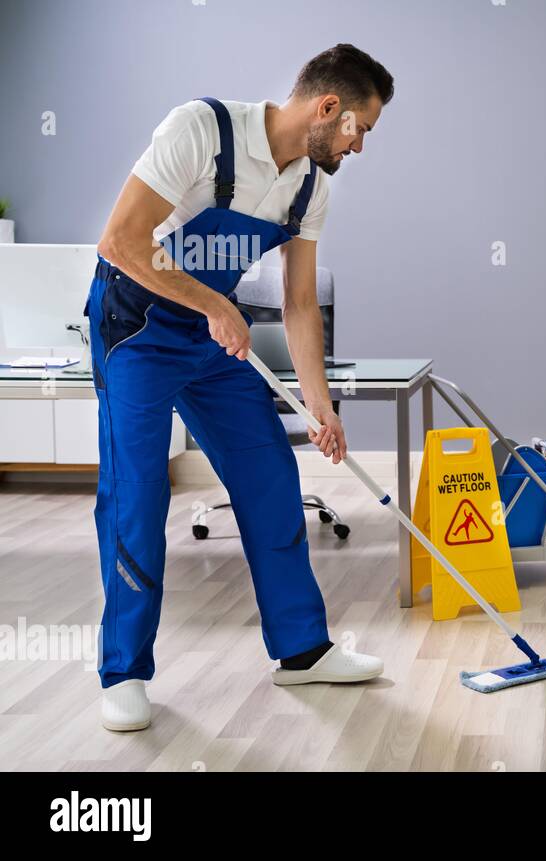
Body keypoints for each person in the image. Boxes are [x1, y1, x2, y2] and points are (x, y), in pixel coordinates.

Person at [89, 44, 393, 732]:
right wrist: (214, 304)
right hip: (135, 329)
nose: (361, 145)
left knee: (269, 476)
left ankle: (302, 648)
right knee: (138, 494)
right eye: (360, 128)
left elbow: (299, 304)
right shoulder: (199, 130)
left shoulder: (311, 186)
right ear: (327, 108)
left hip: (210, 339)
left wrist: (319, 403)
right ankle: (124, 671)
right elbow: (120, 240)